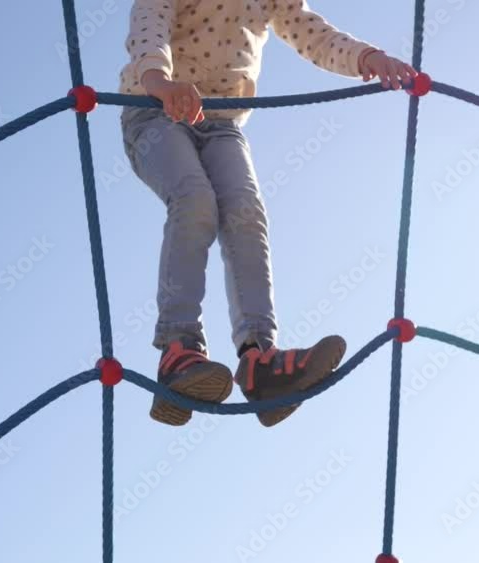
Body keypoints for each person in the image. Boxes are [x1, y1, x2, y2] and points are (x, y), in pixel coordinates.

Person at [118, 0, 416, 427]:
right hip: (155, 107)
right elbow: (152, 17)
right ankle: (178, 346)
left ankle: (259, 358)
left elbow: (311, 32)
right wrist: (158, 80)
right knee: (194, 198)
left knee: (247, 214)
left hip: (221, 122)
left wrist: (366, 58)